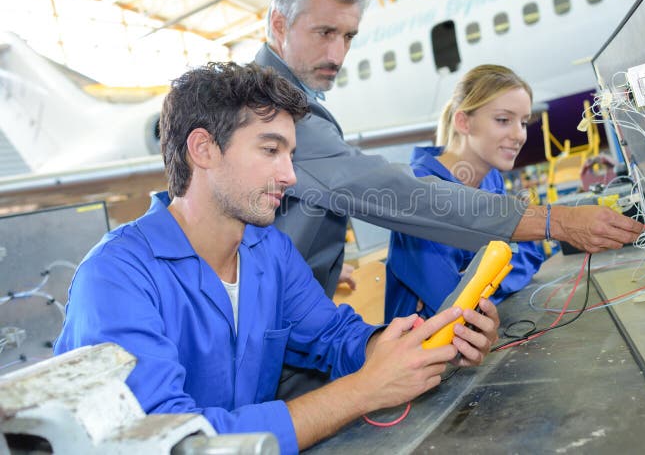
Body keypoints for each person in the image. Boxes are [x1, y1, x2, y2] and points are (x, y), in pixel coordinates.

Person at [54, 62, 500, 454]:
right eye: (270, 150)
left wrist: (421, 352)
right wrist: (362, 392)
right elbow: (175, 441)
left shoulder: (267, 251)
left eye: (291, 154)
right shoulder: (115, 277)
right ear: (203, 149)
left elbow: (333, 337)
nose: (289, 175)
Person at [255, 0, 643, 301]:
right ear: (279, 24)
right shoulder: (274, 111)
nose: (338, 55)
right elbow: (400, 197)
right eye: (324, 33)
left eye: (349, 37)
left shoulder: (290, 100)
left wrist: (310, 264)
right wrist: (554, 221)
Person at [385, 65, 545, 321]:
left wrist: (484, 280)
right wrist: (496, 271)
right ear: (463, 122)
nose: (519, 135)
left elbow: (530, 253)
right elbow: (457, 307)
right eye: (503, 120)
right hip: (424, 350)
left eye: (523, 122)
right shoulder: (419, 195)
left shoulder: (490, 177)